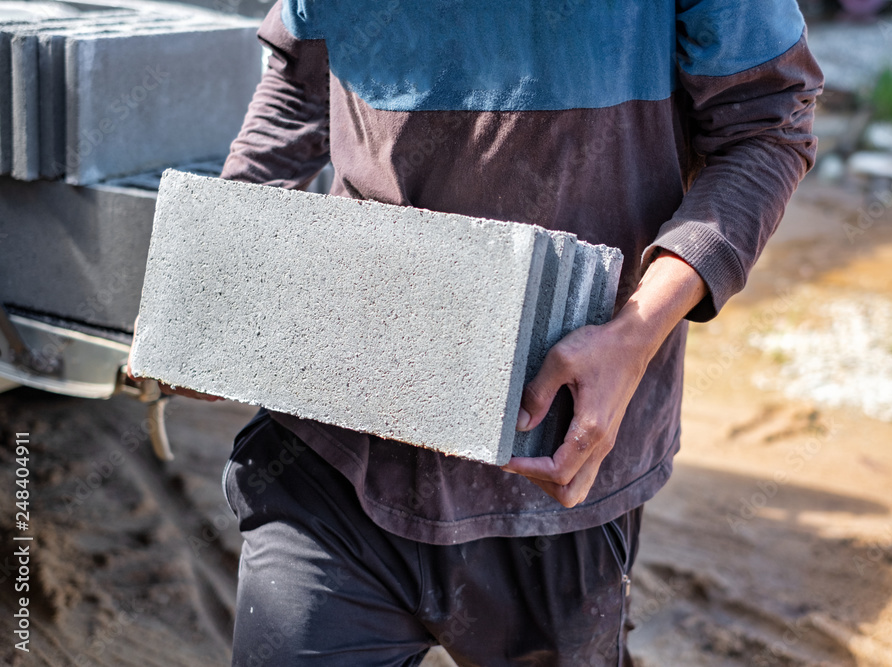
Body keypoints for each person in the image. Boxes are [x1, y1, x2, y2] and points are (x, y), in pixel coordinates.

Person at [162, 1, 822, 664]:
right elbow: (302, 82)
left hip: (551, 465)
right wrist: (213, 286)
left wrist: (635, 333)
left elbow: (769, 128)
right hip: (340, 447)